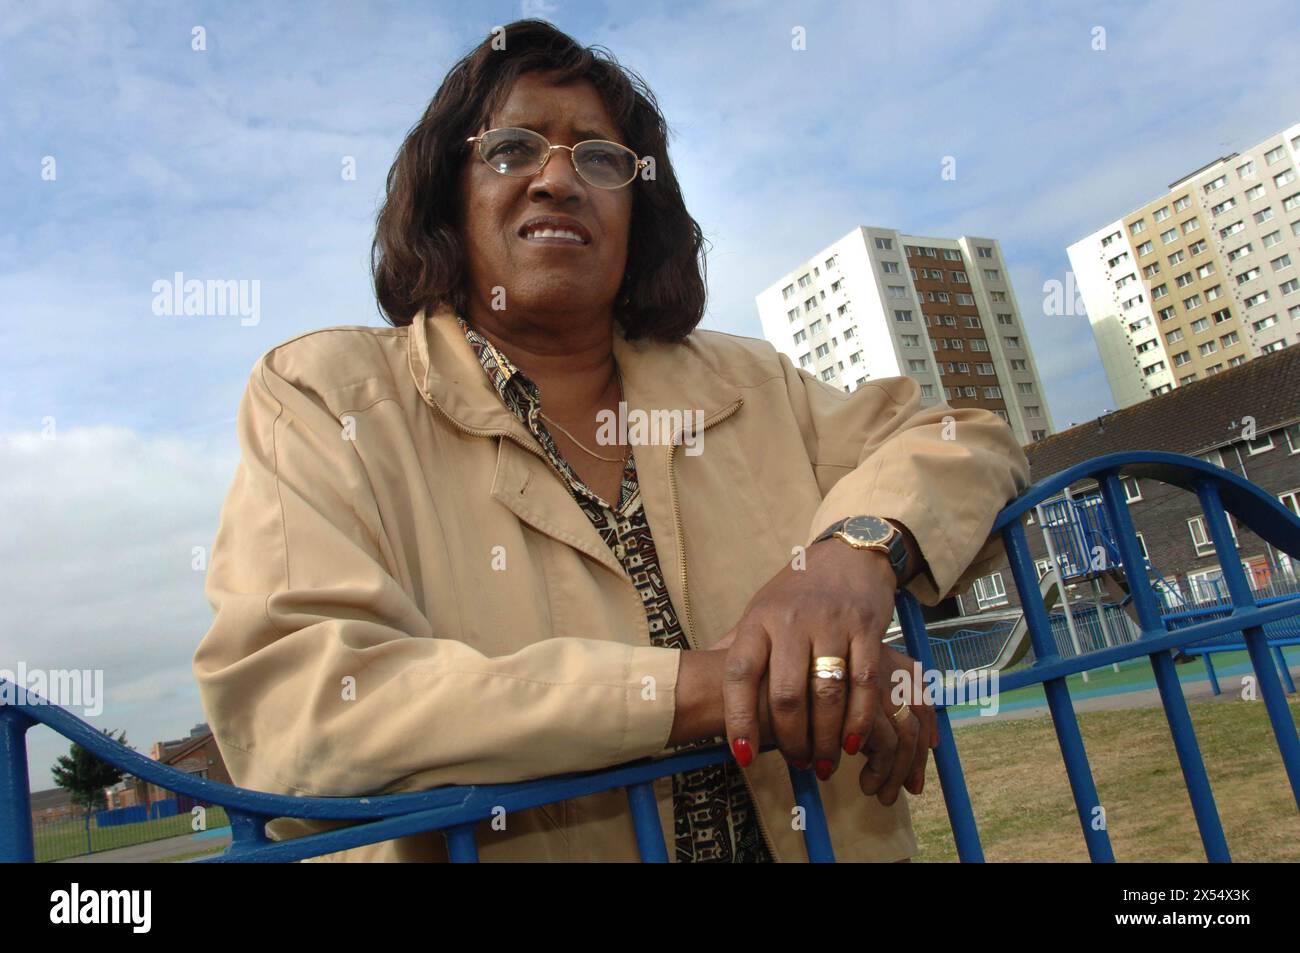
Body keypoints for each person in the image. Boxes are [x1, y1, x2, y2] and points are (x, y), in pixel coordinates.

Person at [193, 18, 1030, 862]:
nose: (558, 180)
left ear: (640, 207)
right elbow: (303, 715)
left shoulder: (750, 382)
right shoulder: (323, 398)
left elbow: (966, 440)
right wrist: (732, 684)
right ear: (449, 190)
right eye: (513, 149)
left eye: (601, 158)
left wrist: (854, 558)